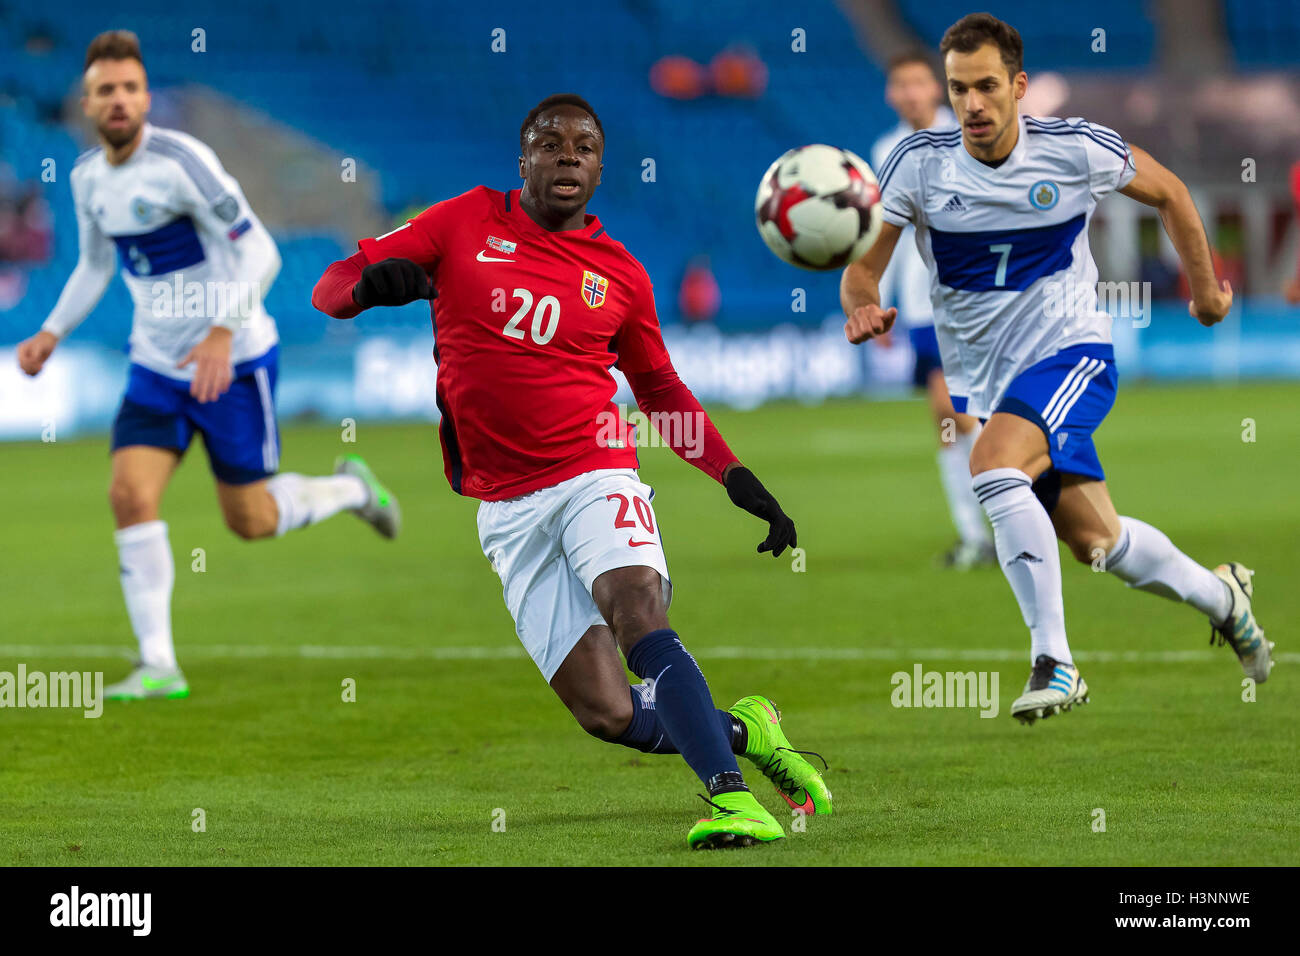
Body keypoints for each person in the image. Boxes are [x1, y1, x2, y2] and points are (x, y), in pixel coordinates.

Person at [312, 94, 831, 848]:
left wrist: (734, 475)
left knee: (636, 608)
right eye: (549, 143)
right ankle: (745, 732)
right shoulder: (459, 222)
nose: (567, 155)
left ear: (599, 167)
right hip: (506, 505)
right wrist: (366, 288)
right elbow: (333, 283)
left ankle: (730, 798)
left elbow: (659, 389)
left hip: (597, 468)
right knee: (608, 712)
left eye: (584, 146)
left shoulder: (619, 272)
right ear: (522, 159)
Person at [842, 14, 1271, 723]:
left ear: (1017, 86)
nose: (972, 104)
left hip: (1071, 353)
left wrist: (1204, 292)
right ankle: (1224, 598)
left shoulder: (1074, 147)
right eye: (959, 89)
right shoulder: (918, 164)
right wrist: (862, 306)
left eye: (986, 86)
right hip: (994, 380)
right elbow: (864, 270)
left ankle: (1056, 661)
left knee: (991, 463)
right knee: (1099, 543)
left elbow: (1171, 193)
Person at [16, 31, 400, 700]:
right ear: (87, 101)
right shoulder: (85, 180)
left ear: (143, 97)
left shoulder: (183, 162)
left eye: (131, 88)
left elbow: (261, 254)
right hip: (157, 365)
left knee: (249, 520)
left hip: (235, 360)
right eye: (106, 89)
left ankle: (352, 490)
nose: (119, 100)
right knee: (129, 494)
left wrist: (221, 333)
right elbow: (97, 264)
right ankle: (158, 665)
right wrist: (51, 332)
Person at [870, 50, 992, 569]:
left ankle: (1007, 518)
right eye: (901, 84)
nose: (911, 92)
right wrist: (876, 297)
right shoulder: (885, 148)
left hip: (970, 297)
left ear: (937, 87)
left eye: (919, 82)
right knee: (946, 417)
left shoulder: (968, 134)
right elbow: (887, 236)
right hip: (920, 308)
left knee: (959, 413)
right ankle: (977, 535)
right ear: (891, 94)